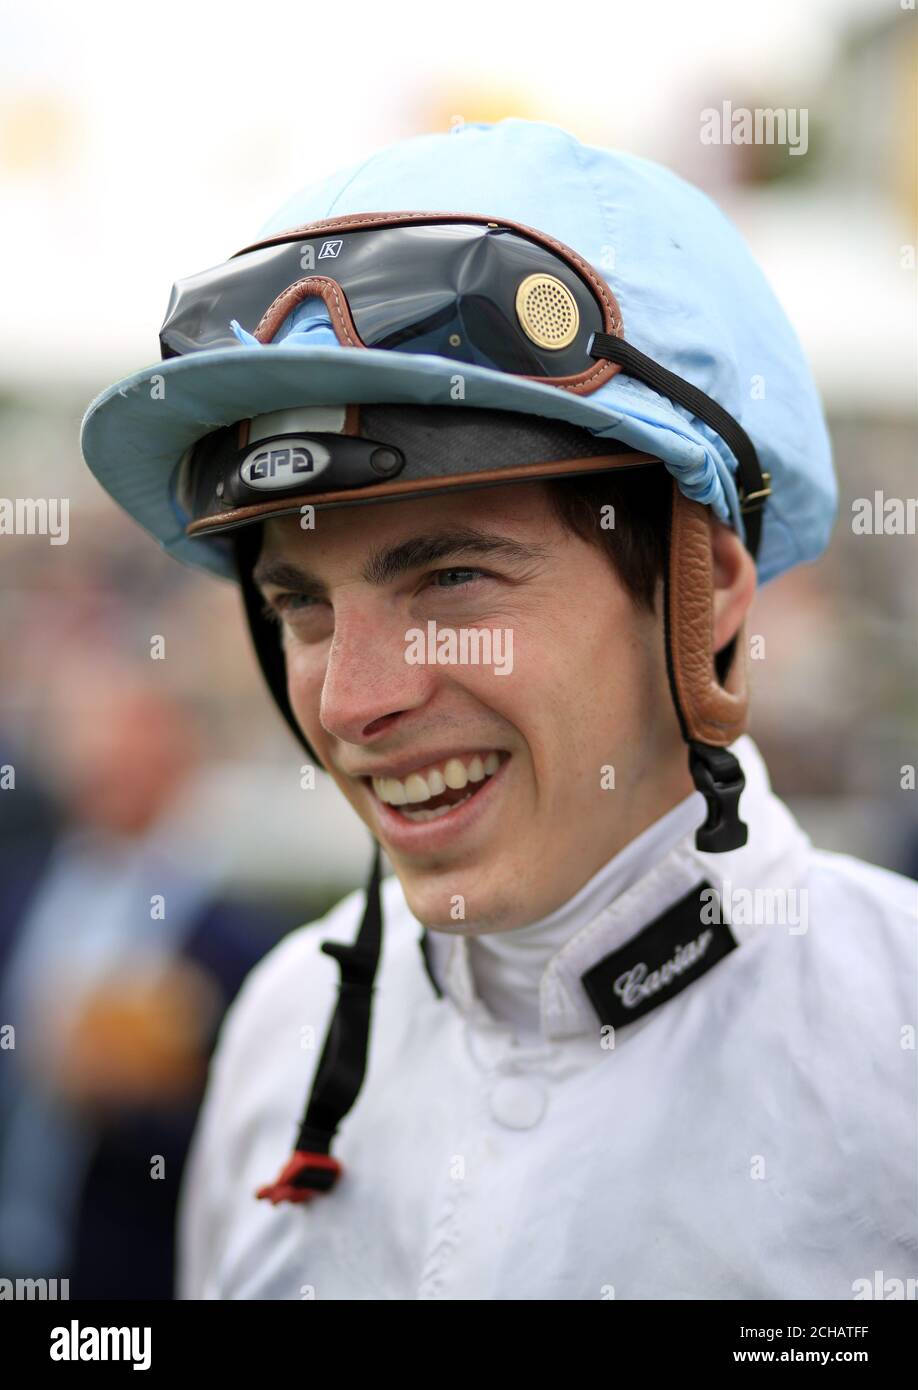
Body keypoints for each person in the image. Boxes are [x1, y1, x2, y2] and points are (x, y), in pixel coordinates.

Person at [80, 118, 916, 1300]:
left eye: (451, 578)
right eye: (305, 608)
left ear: (707, 590)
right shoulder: (283, 1029)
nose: (359, 703)